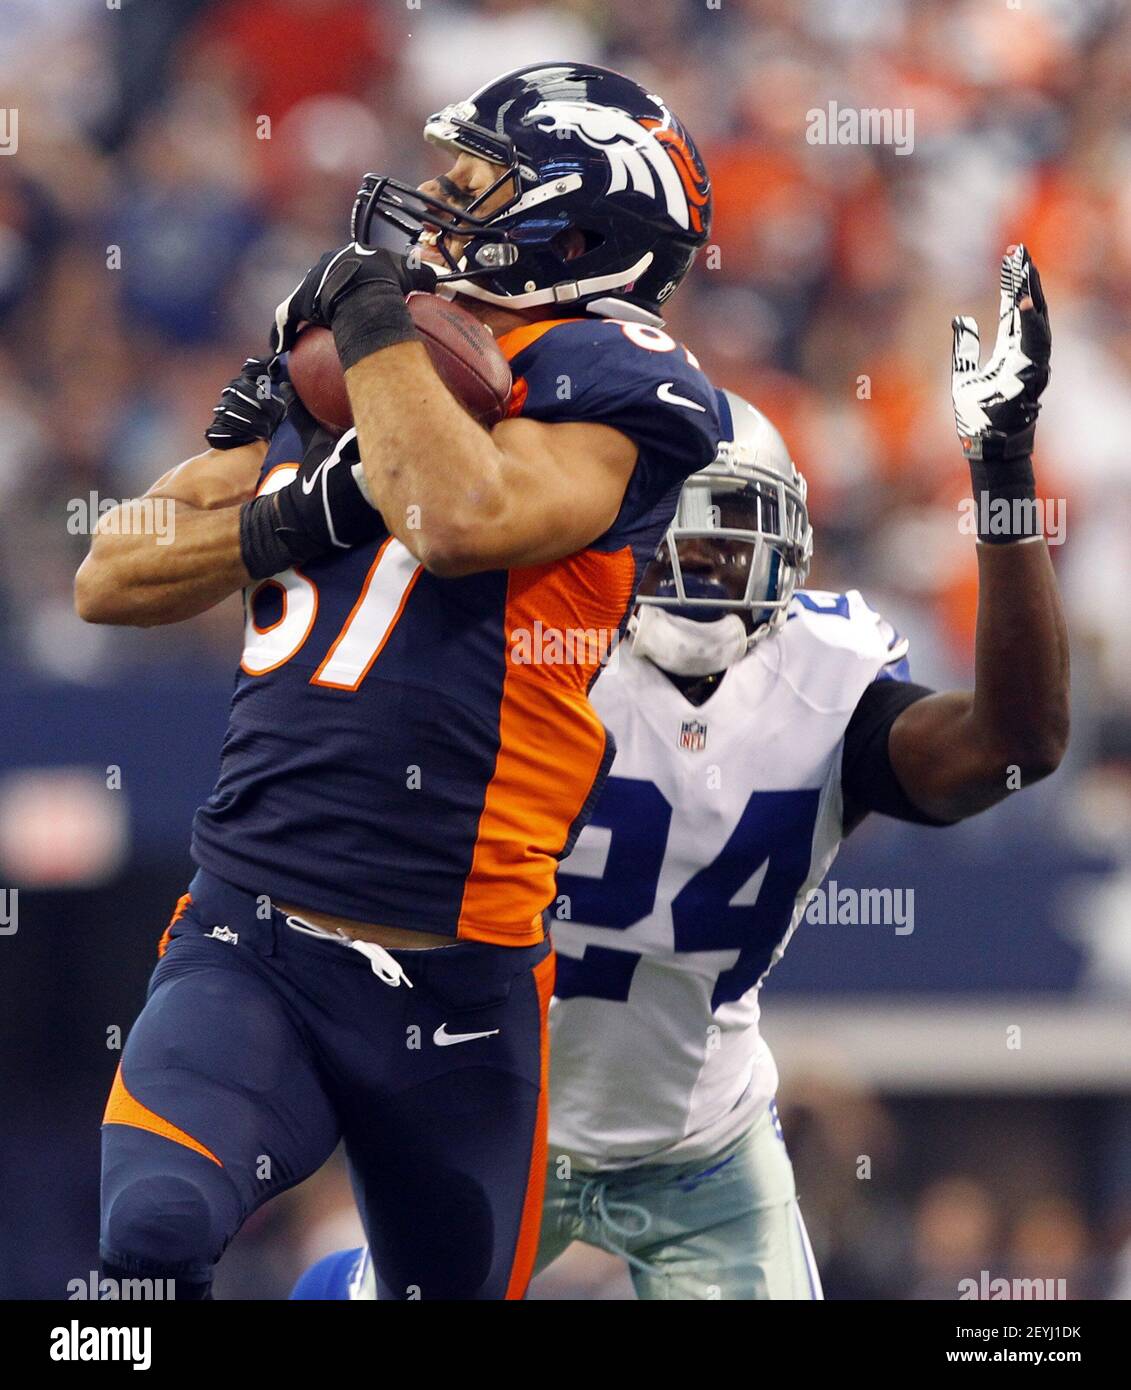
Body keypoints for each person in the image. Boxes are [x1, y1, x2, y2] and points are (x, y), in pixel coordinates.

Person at [297, 244, 1068, 1299]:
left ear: (788, 547)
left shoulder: (821, 678)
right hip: (498, 1115)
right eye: (667, 545)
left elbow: (1014, 748)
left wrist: (1003, 470)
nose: (692, 576)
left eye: (723, 547)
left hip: (700, 1136)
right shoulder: (531, 640)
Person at [75, 62, 722, 1301]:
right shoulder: (370, 350)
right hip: (251, 930)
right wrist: (305, 504)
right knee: (148, 1246)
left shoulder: (619, 377)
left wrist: (374, 347)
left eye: (474, 184)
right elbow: (113, 574)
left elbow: (459, 515)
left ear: (577, 233)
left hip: (464, 976)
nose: (433, 205)